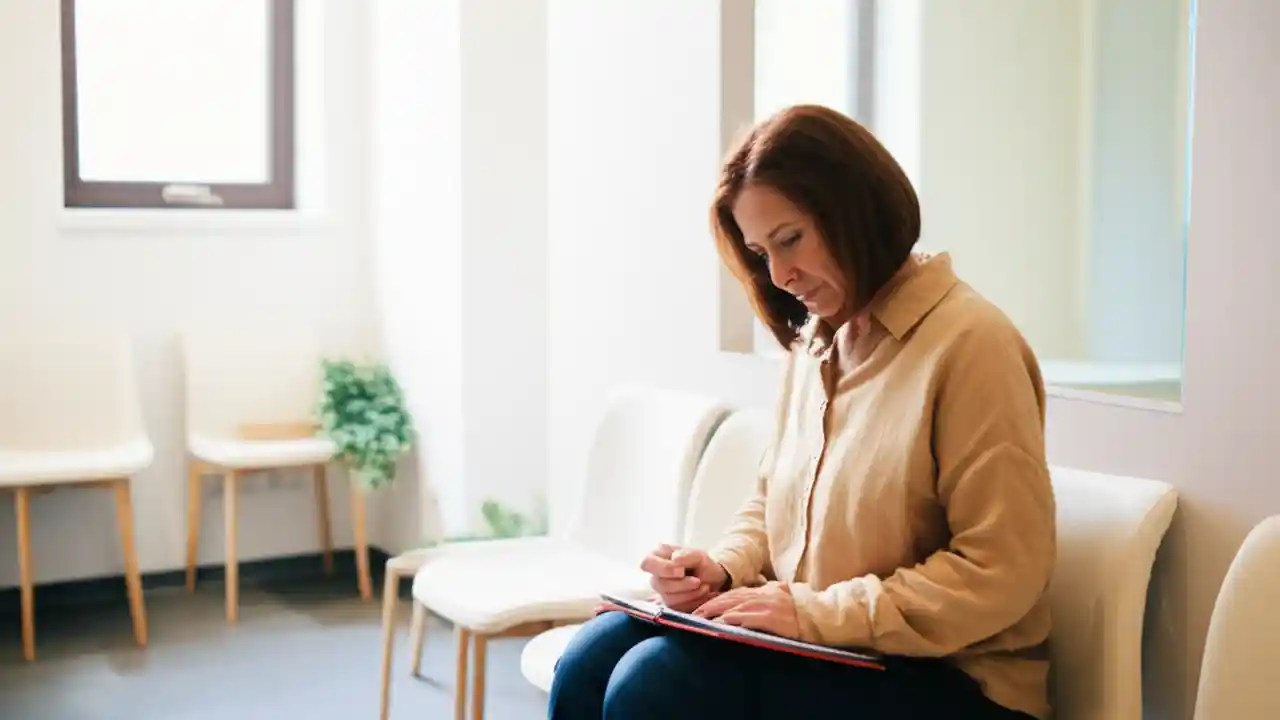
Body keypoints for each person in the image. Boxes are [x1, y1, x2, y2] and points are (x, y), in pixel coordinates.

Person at [548, 105, 1055, 720]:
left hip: (953, 683)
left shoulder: (971, 344)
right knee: (591, 656)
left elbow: (1000, 572)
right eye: (762, 253)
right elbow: (772, 502)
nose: (780, 275)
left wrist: (809, 613)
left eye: (790, 240)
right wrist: (723, 569)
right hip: (832, 652)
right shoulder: (818, 344)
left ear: (855, 208)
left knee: (656, 684)